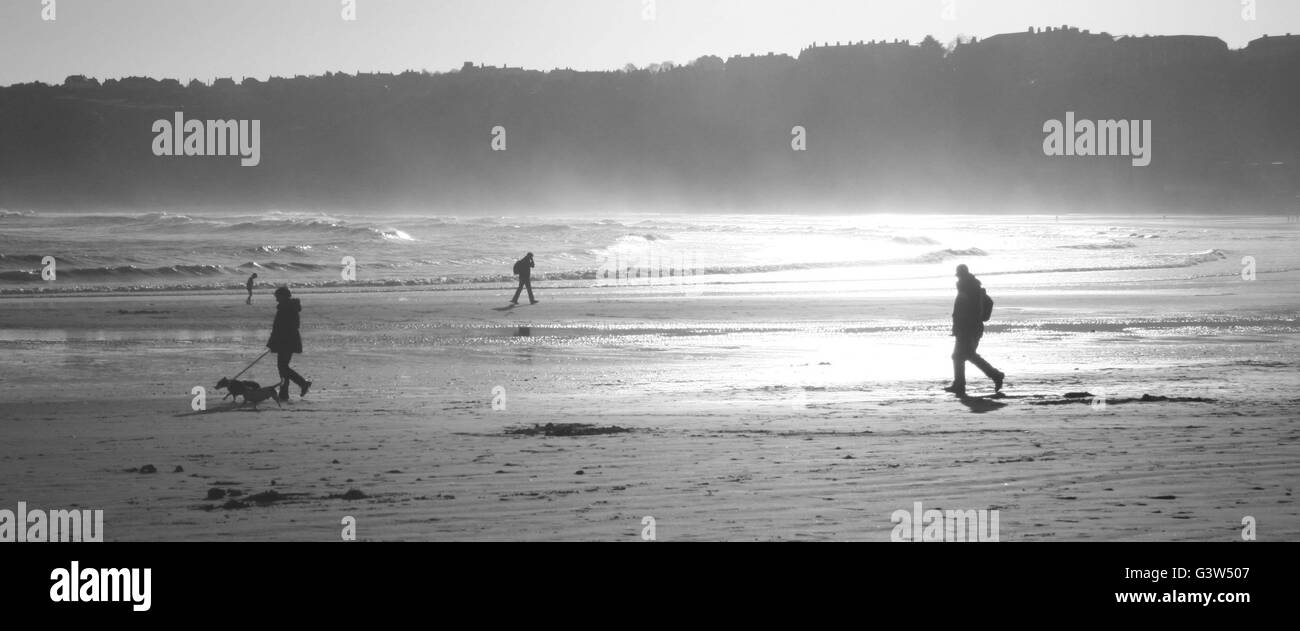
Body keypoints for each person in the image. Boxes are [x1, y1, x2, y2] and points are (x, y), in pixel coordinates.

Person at [945, 264, 1004, 396]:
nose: (958, 280)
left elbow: (962, 311)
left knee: (964, 355)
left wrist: (960, 326)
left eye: (959, 276)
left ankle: (995, 375)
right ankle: (959, 384)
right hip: (971, 326)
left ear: (961, 276)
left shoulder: (967, 288)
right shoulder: (971, 287)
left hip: (968, 327)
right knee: (962, 355)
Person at [266, 286, 311, 401]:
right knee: (283, 367)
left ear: (283, 296)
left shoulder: (287, 308)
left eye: (277, 296)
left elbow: (283, 327)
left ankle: (302, 384)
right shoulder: (287, 307)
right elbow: (280, 327)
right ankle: (284, 393)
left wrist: (274, 341)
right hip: (287, 340)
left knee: (283, 366)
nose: (276, 299)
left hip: (286, 341)